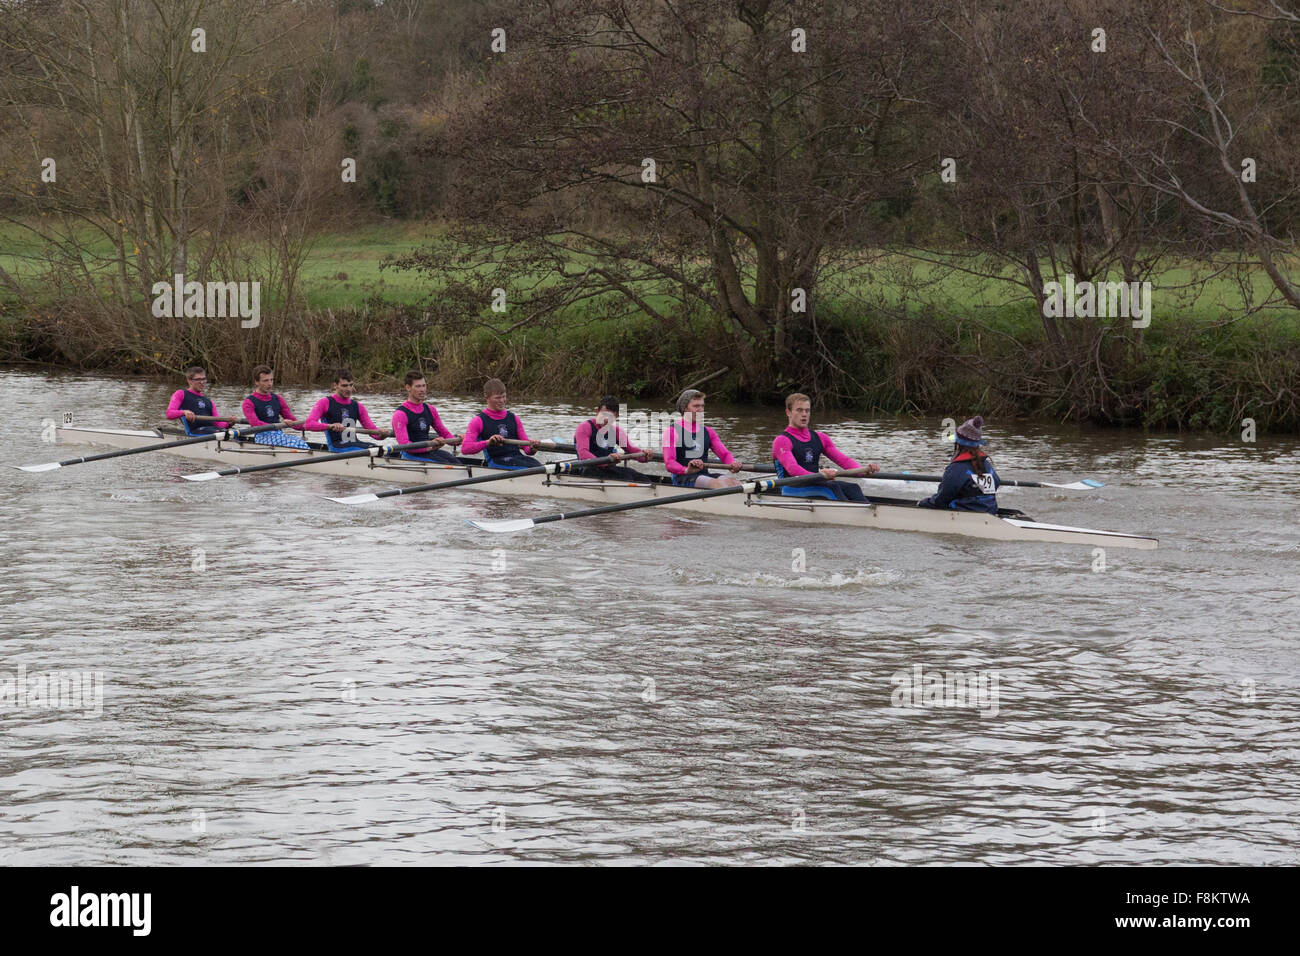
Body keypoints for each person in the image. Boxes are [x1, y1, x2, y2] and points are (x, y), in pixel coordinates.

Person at [772, 392, 879, 501]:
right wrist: (820, 475)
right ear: (788, 412)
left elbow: (844, 460)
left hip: (816, 482)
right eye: (799, 410)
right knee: (831, 487)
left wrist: (862, 470)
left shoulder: (821, 437)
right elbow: (792, 468)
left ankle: (870, 515)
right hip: (791, 488)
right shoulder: (782, 441)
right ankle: (851, 515)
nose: (804, 414)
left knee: (853, 488)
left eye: (807, 410)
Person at [917, 416, 1001, 513]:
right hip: (991, 511)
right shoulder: (986, 464)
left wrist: (923, 503)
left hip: (964, 515)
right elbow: (997, 482)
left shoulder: (957, 468)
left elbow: (942, 499)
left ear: (958, 443)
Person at [661, 389, 743, 488]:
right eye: (696, 406)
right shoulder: (671, 432)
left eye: (702, 406)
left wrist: (732, 464)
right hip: (683, 477)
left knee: (735, 484)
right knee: (719, 484)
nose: (701, 410)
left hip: (704, 475)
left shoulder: (708, 431)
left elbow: (724, 454)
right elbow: (669, 463)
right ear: (685, 408)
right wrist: (686, 470)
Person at [304, 368, 392, 452]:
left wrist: (382, 435)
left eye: (351, 385)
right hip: (337, 448)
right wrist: (330, 426)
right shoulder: (324, 403)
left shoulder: (358, 406)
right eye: (344, 386)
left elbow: (373, 432)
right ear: (335, 385)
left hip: (355, 445)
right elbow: (308, 424)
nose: (349, 389)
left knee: (382, 449)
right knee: (377, 451)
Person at [461, 379, 541, 469]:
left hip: (517, 457)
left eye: (504, 396)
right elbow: (465, 448)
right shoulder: (477, 421)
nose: (502, 400)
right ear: (487, 398)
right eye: (498, 398)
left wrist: (532, 448)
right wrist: (488, 442)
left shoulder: (514, 418)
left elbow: (526, 449)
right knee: (537, 471)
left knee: (541, 467)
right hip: (496, 461)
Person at [573, 395, 650, 482]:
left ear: (616, 416)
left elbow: (632, 450)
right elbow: (583, 454)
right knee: (627, 478)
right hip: (588, 469)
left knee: (643, 479)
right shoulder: (585, 427)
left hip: (607, 468)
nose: (606, 420)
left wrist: (645, 456)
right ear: (597, 412)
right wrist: (607, 461)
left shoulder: (616, 431)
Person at [392, 371, 461, 464]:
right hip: (410, 456)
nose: (422, 390)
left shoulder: (430, 409)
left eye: (424, 386)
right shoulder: (400, 414)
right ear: (408, 388)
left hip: (429, 451)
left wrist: (459, 440)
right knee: (451, 466)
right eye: (418, 386)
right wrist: (430, 446)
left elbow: (444, 433)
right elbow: (404, 445)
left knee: (457, 462)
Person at [241, 365, 309, 449]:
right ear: (256, 382)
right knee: (294, 443)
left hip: (278, 434)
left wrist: (308, 426)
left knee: (301, 443)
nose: (269, 384)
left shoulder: (278, 399)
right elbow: (255, 424)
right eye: (265, 381)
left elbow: (292, 419)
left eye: (271, 380)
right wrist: (279, 425)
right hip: (262, 438)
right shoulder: (248, 402)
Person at [166, 367, 230, 435]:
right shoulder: (181, 394)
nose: (202, 382)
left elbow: (217, 423)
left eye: (204, 379)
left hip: (212, 430)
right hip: (195, 432)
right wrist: (184, 412)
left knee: (237, 433)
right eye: (198, 379)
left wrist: (229, 423)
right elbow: (169, 414)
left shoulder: (209, 401)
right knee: (226, 434)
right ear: (189, 380)